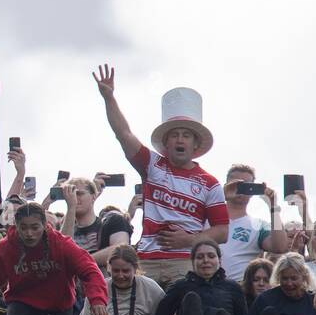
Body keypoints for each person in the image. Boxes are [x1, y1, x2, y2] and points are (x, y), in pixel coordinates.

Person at [93, 66, 229, 288]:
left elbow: (222, 232)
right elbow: (124, 134)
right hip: (146, 260)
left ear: (196, 144)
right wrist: (109, 97)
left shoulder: (210, 183)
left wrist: (189, 240)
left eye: (186, 135)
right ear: (166, 143)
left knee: (184, 314)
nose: (180, 140)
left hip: (185, 261)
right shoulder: (152, 164)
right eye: (174, 135)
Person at [220, 165, 288, 279]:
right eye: (236, 184)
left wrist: (273, 206)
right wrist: (222, 196)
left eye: (246, 185)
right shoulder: (208, 216)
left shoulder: (258, 225)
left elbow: (280, 247)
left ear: (253, 190)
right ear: (226, 185)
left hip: (240, 288)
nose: (240, 189)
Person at [57, 177, 132, 268]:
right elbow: (62, 254)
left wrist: (80, 262)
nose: (75, 198)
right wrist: (71, 208)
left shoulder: (113, 220)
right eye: (71, 195)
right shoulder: (64, 228)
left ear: (94, 196)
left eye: (79, 193)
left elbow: (120, 249)